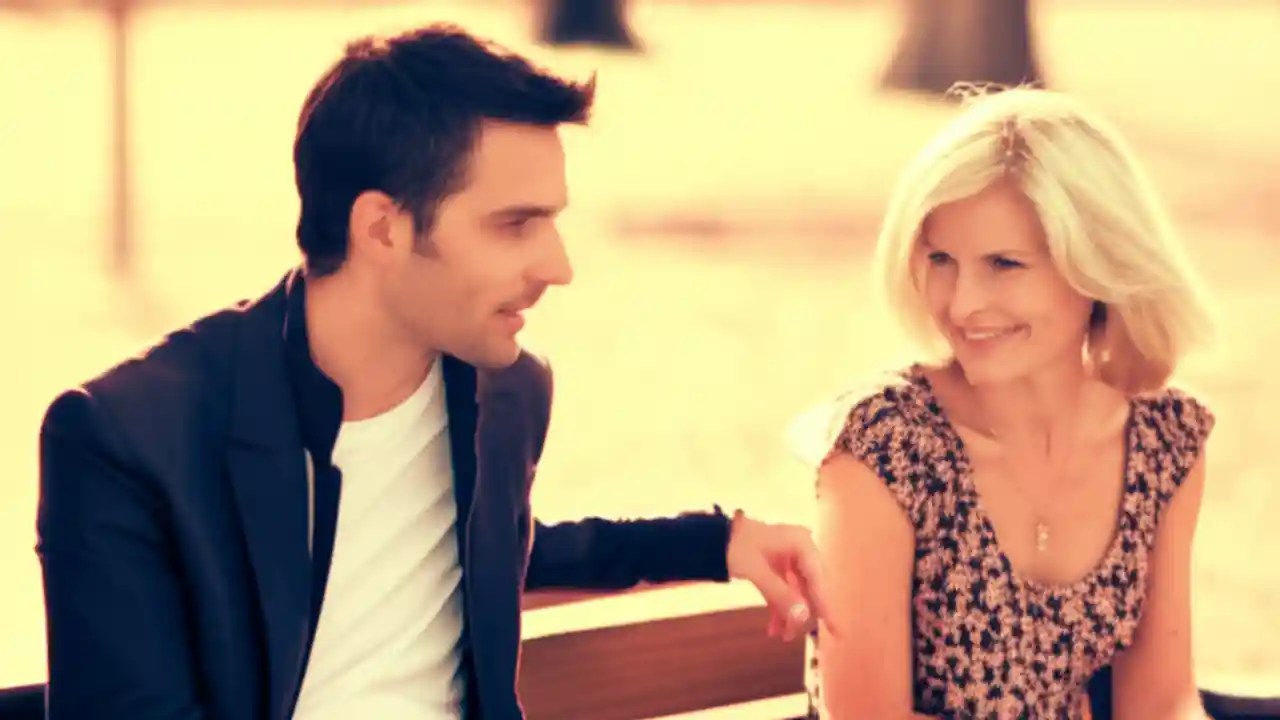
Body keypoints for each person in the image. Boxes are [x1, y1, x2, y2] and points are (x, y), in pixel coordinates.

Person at [35, 25, 831, 720]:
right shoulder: (125, 441)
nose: (558, 266)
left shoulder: (506, 392)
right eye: (514, 225)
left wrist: (716, 542)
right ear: (382, 228)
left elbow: (486, 548)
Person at [801, 87, 1216, 719]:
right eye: (942, 259)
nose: (963, 304)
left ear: (1097, 263)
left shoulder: (1163, 442)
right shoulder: (884, 444)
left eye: (1004, 264)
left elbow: (1161, 703)